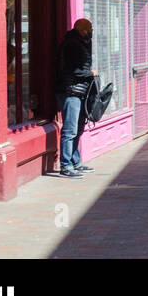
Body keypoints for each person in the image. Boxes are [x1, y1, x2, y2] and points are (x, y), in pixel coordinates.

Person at [55, 18, 96, 178]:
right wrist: (90, 74)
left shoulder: (81, 43)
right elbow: (72, 70)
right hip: (70, 91)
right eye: (89, 27)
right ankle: (66, 165)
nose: (91, 30)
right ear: (82, 29)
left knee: (78, 128)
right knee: (70, 129)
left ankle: (75, 162)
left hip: (79, 91)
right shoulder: (72, 44)